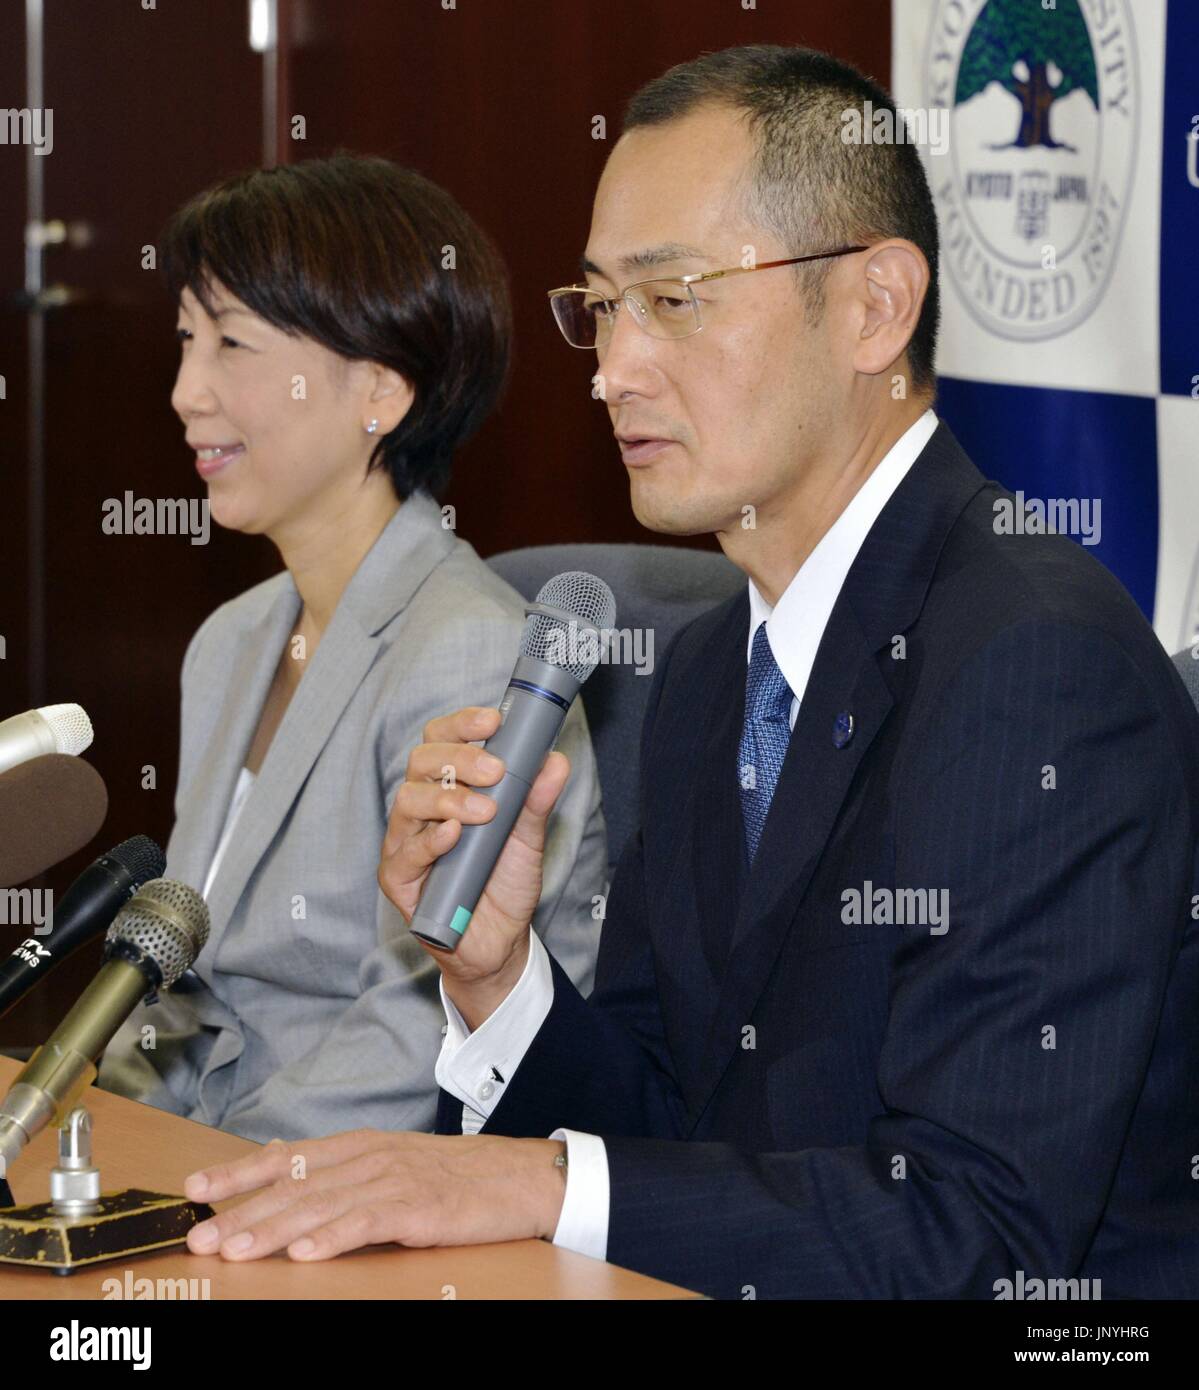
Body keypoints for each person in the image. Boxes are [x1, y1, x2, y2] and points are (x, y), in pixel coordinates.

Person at [179, 48, 1199, 1300]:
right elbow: (677, 1114)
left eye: (675, 298)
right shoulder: (718, 653)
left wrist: (540, 1183)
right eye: (600, 306)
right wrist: (498, 977)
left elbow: (976, 1230)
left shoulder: (1037, 664)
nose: (613, 369)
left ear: (875, 306)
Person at [98, 154, 606, 1141]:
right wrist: (99, 1140)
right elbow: (182, 995)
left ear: (380, 389)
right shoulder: (228, 642)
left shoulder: (470, 654)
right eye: (184, 344)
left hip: (337, 1201)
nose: (184, 393)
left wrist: (205, 1191)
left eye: (231, 346)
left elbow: (416, 1026)